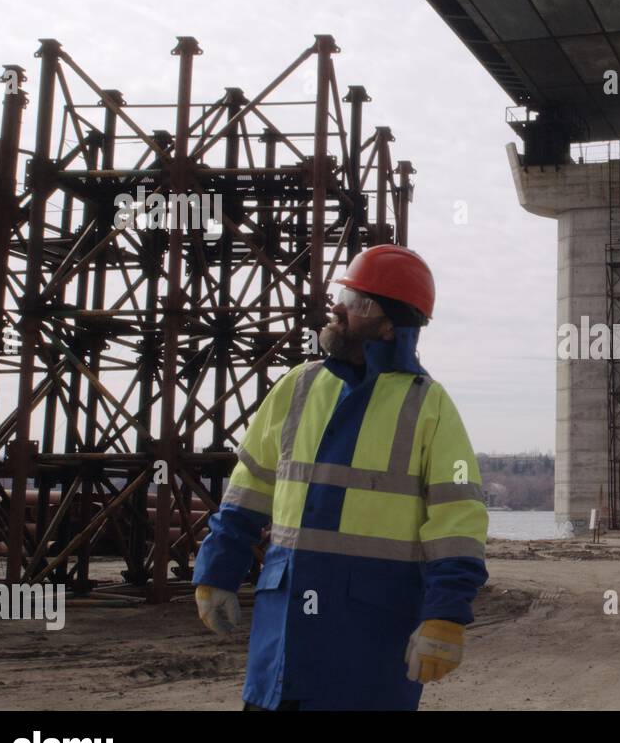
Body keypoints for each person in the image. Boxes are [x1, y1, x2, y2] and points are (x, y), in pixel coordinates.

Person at [192, 244, 488, 710]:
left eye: (355, 301)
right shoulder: (298, 386)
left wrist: (446, 615)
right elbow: (247, 490)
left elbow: (457, 523)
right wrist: (216, 571)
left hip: (370, 640)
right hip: (283, 635)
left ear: (390, 324)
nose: (338, 307)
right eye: (344, 294)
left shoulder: (428, 406)